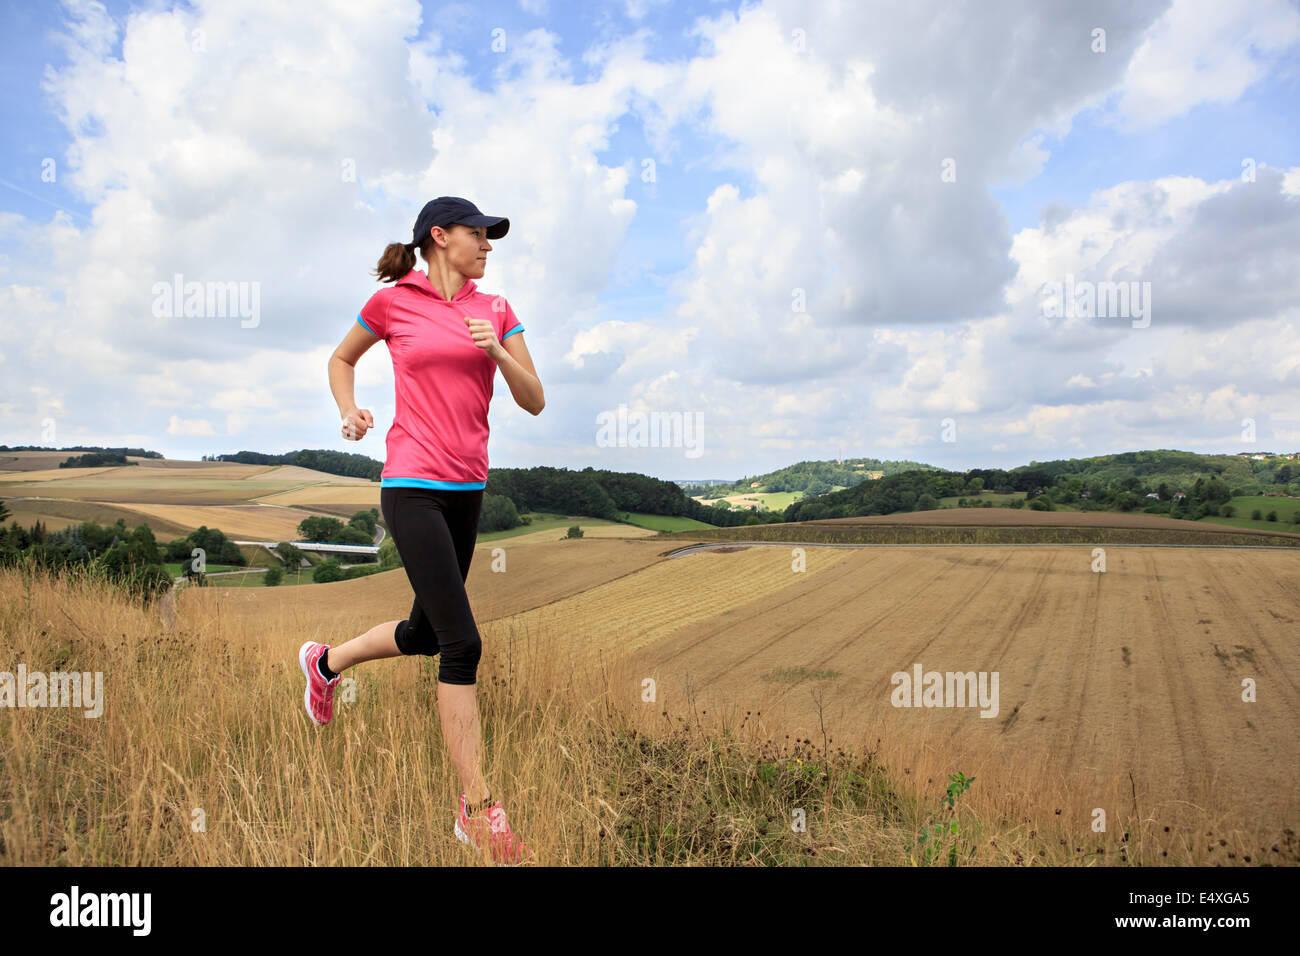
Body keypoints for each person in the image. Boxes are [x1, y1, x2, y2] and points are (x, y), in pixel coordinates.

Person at [299, 196, 544, 865]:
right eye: (479, 234)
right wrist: (349, 412)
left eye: (491, 237)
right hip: (410, 485)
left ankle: (325, 663)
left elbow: (535, 398)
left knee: (424, 634)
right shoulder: (393, 303)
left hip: (468, 491)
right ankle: (477, 811)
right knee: (462, 644)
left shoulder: (496, 311)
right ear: (440, 238)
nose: (489, 245)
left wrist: (500, 353)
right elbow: (340, 360)